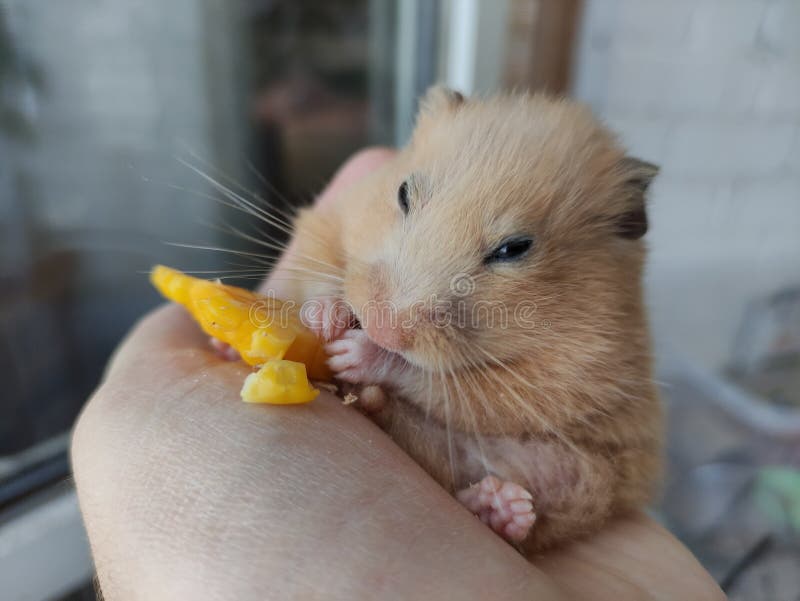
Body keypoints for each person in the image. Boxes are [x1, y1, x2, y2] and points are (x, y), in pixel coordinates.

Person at [71, 148, 725, 600]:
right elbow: (326, 240)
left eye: (511, 250)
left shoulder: (588, 337)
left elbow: (551, 411)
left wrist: (398, 367)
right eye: (410, 197)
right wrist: (319, 306)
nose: (400, 313)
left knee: (560, 476)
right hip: (404, 449)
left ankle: (492, 506)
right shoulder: (365, 221)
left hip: (527, 452)